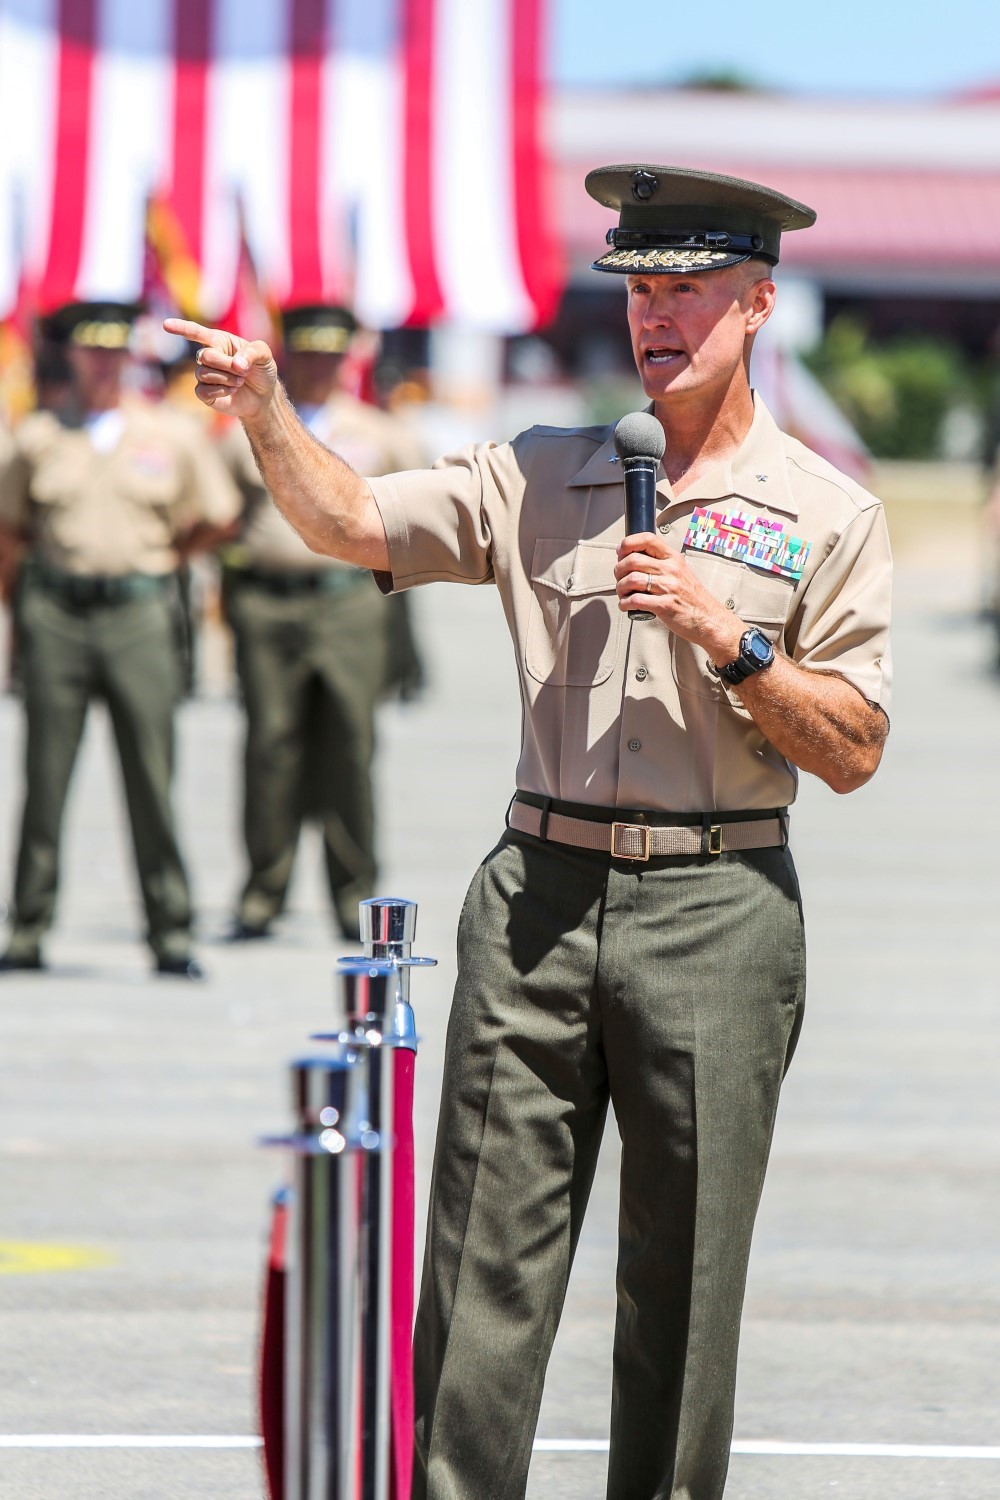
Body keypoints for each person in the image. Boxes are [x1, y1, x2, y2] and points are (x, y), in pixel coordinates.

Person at [166, 162, 892, 1499]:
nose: (656, 319)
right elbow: (349, 521)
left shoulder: (828, 513)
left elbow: (851, 748)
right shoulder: (541, 473)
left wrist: (727, 638)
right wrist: (268, 410)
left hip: (720, 912)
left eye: (688, 293)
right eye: (640, 292)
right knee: (478, 1282)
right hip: (536, 905)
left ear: (758, 305)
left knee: (683, 1292)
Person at [0, 301, 241, 978]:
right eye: (90, 351)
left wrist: (169, 559)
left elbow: (218, 516)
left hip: (138, 613)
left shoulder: (167, 434)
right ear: (72, 356)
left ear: (127, 358)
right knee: (44, 780)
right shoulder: (39, 436)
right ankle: (27, 926)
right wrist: (23, 607)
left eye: (113, 352)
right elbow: (9, 527)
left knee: (151, 777)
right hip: (59, 612)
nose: (101, 363)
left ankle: (170, 931)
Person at [219, 303, 427, 944]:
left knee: (349, 744)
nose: (317, 367)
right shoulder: (246, 430)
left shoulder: (378, 432)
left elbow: (411, 532)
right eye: (306, 355)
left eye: (330, 356)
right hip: (270, 600)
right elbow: (219, 520)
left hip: (349, 602)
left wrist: (406, 644)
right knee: (269, 748)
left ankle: (352, 892)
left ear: (346, 360)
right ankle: (263, 890)